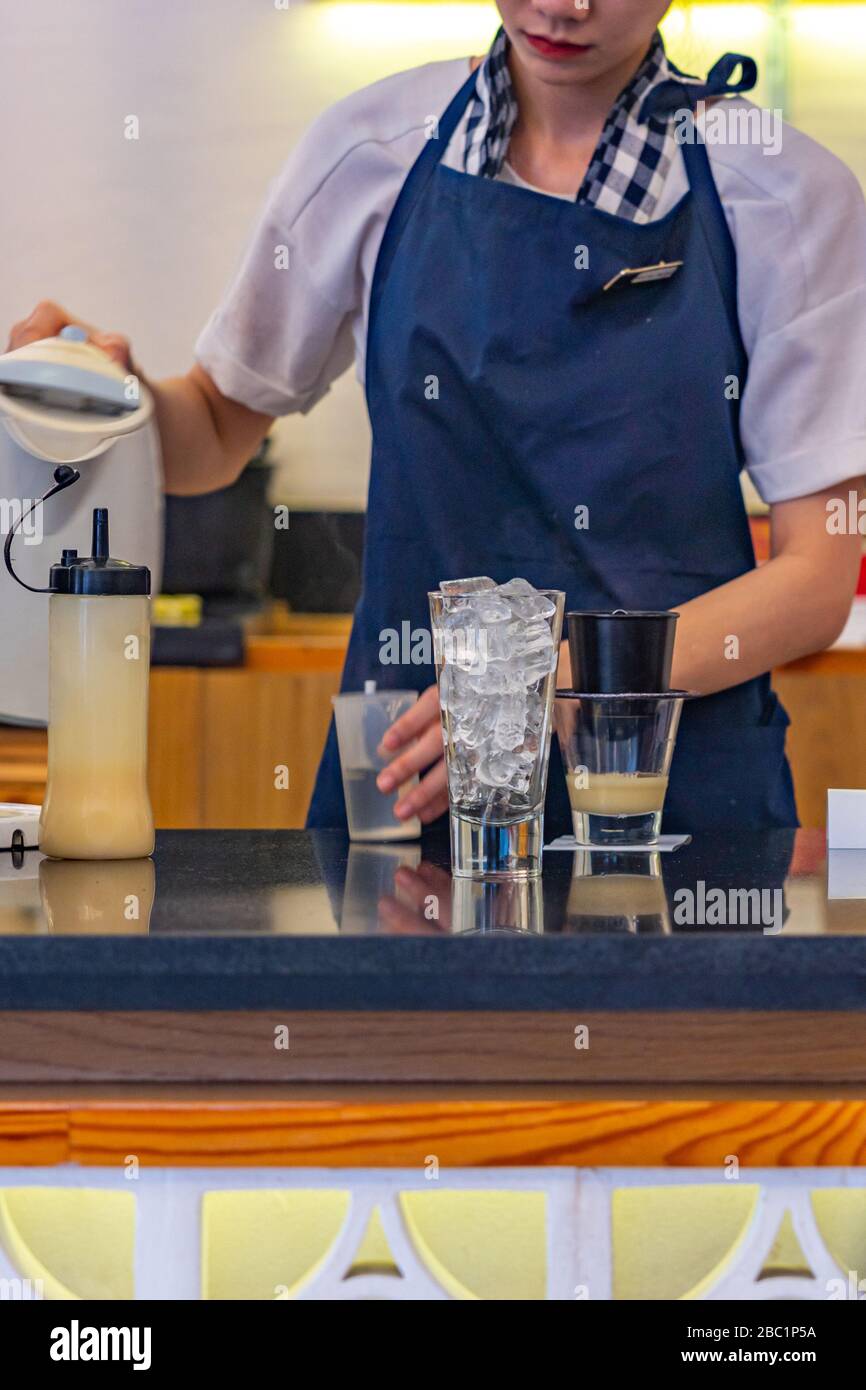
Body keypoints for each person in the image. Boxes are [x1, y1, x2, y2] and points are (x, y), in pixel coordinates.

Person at [9, 1, 866, 834]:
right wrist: (111, 396)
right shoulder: (371, 150)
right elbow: (212, 434)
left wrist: (528, 695)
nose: (563, 6)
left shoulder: (788, 194)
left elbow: (818, 579)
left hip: (674, 804)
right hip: (413, 791)